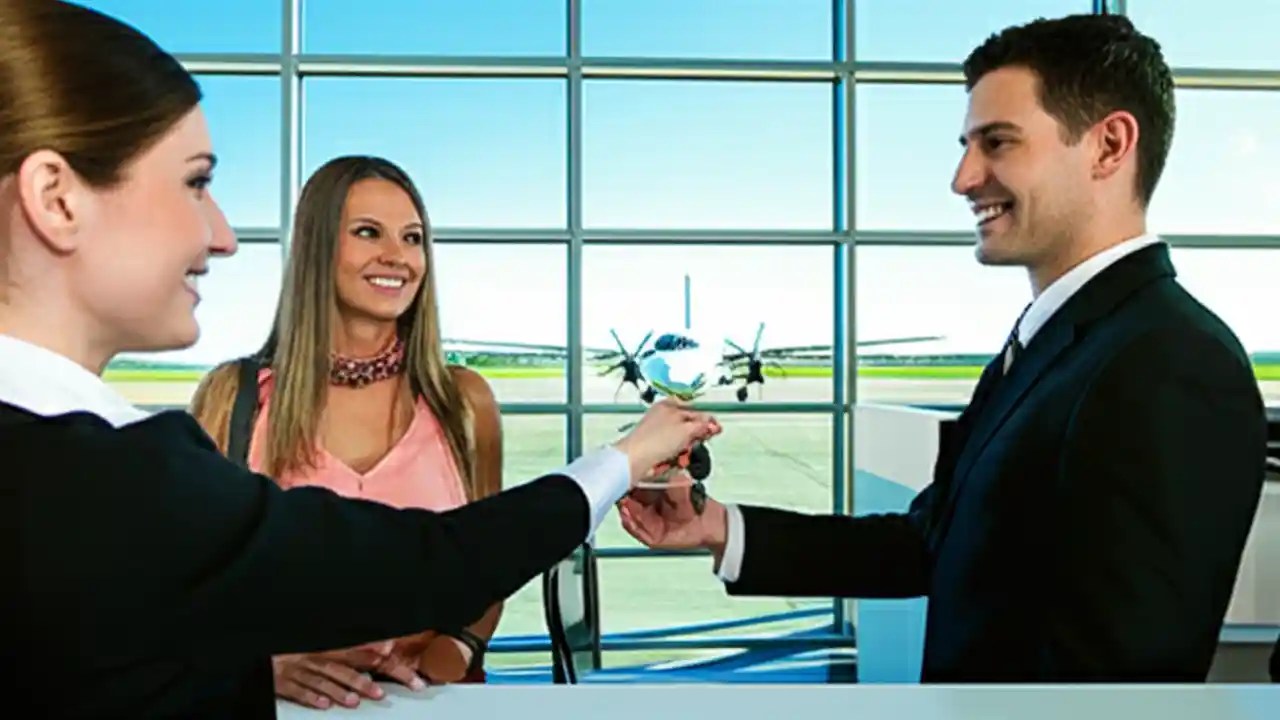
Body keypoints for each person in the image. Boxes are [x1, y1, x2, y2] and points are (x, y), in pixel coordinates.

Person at [0, 2, 719, 717]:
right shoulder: (126, 472)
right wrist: (625, 456)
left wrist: (440, 661)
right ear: (55, 200)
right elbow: (431, 558)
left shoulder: (93, 466)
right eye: (194, 181)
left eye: (413, 238)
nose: (223, 236)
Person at [619, 13, 1268, 683]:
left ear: (1108, 146)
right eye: (967, 144)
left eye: (998, 143)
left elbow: (1125, 684)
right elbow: (931, 543)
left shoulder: (1170, 363)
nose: (962, 178)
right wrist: (718, 527)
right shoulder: (1057, 346)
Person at [187, 155, 507, 709]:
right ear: (317, 249)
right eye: (368, 233)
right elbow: (188, 579)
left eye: (412, 238)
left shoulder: (464, 403)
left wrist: (458, 647)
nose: (397, 258)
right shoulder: (233, 399)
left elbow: (492, 565)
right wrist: (262, 666)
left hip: (438, 703)